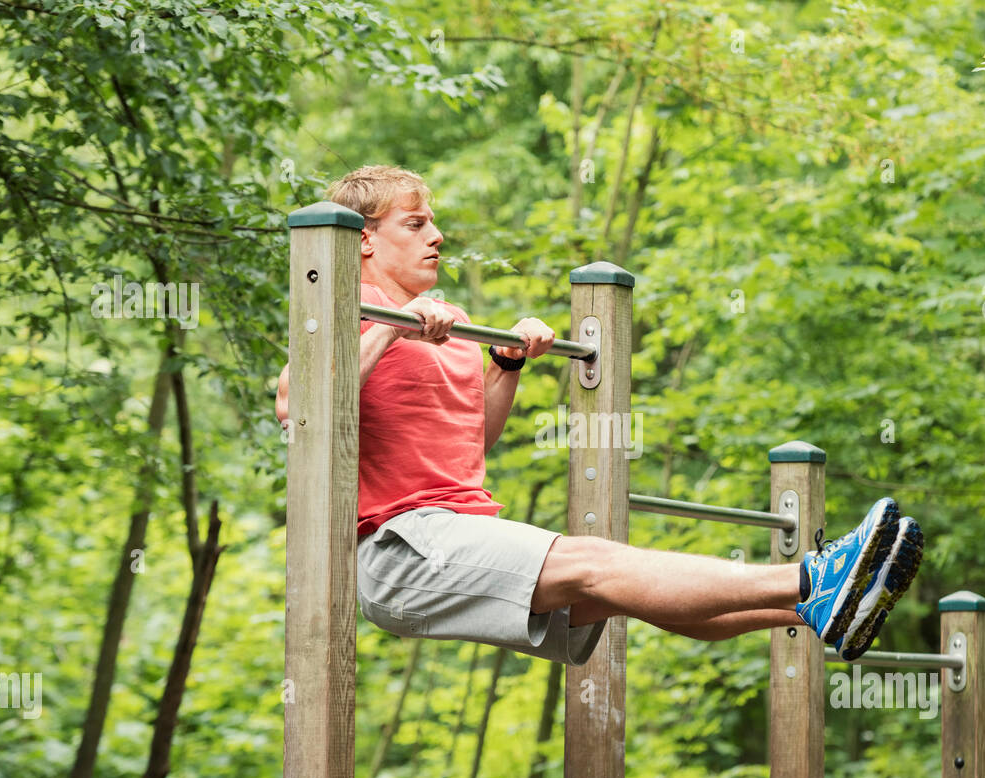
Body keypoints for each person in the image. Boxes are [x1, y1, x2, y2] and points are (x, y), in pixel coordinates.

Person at [275, 165, 923, 666]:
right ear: (363, 241)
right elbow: (300, 411)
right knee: (596, 560)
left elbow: (473, 441)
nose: (437, 235)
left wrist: (507, 365)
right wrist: (391, 332)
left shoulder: (452, 324)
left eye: (434, 221)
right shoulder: (342, 308)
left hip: (457, 528)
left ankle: (814, 610)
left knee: (614, 590)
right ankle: (815, 572)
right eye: (415, 223)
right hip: (400, 548)